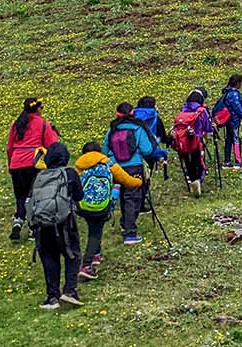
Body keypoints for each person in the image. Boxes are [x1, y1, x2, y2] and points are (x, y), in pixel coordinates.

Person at [25, 141, 82, 309]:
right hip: (64, 223)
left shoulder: (40, 176)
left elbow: (30, 199)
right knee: (72, 254)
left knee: (49, 258)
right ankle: (70, 291)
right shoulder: (70, 173)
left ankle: (52, 297)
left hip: (41, 226)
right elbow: (79, 196)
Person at [74, 140, 140, 281]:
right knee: (95, 234)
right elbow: (126, 180)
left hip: (84, 205)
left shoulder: (79, 166)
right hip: (102, 206)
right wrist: (139, 181)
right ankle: (86, 265)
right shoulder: (109, 164)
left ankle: (96, 254)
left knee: (93, 229)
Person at [106, 102, 166, 246]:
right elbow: (146, 150)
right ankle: (130, 233)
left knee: (122, 196)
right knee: (133, 198)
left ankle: (124, 223)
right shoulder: (138, 128)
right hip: (134, 167)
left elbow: (105, 150)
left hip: (116, 168)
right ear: (133, 113)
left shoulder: (112, 129)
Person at [7, 97, 59, 240]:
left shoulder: (16, 124)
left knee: (20, 195)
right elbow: (52, 144)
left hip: (16, 162)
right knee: (34, 196)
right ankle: (32, 227)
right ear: (37, 109)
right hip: (33, 162)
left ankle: (18, 221)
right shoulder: (43, 124)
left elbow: (9, 146)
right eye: (41, 108)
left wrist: (10, 164)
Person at [172, 89, 213, 196]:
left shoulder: (183, 110)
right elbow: (208, 127)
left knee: (188, 162)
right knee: (198, 161)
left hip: (182, 140)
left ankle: (191, 179)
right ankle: (198, 180)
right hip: (196, 140)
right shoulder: (201, 111)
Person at [213, 74, 242, 169]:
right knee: (236, 140)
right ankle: (238, 162)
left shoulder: (227, 92)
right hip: (234, 121)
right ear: (237, 83)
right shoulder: (234, 94)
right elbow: (239, 110)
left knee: (229, 140)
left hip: (228, 120)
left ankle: (227, 161)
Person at [133, 95, 170, 178]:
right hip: (148, 149)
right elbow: (162, 137)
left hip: (131, 149)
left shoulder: (132, 115)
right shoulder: (155, 117)